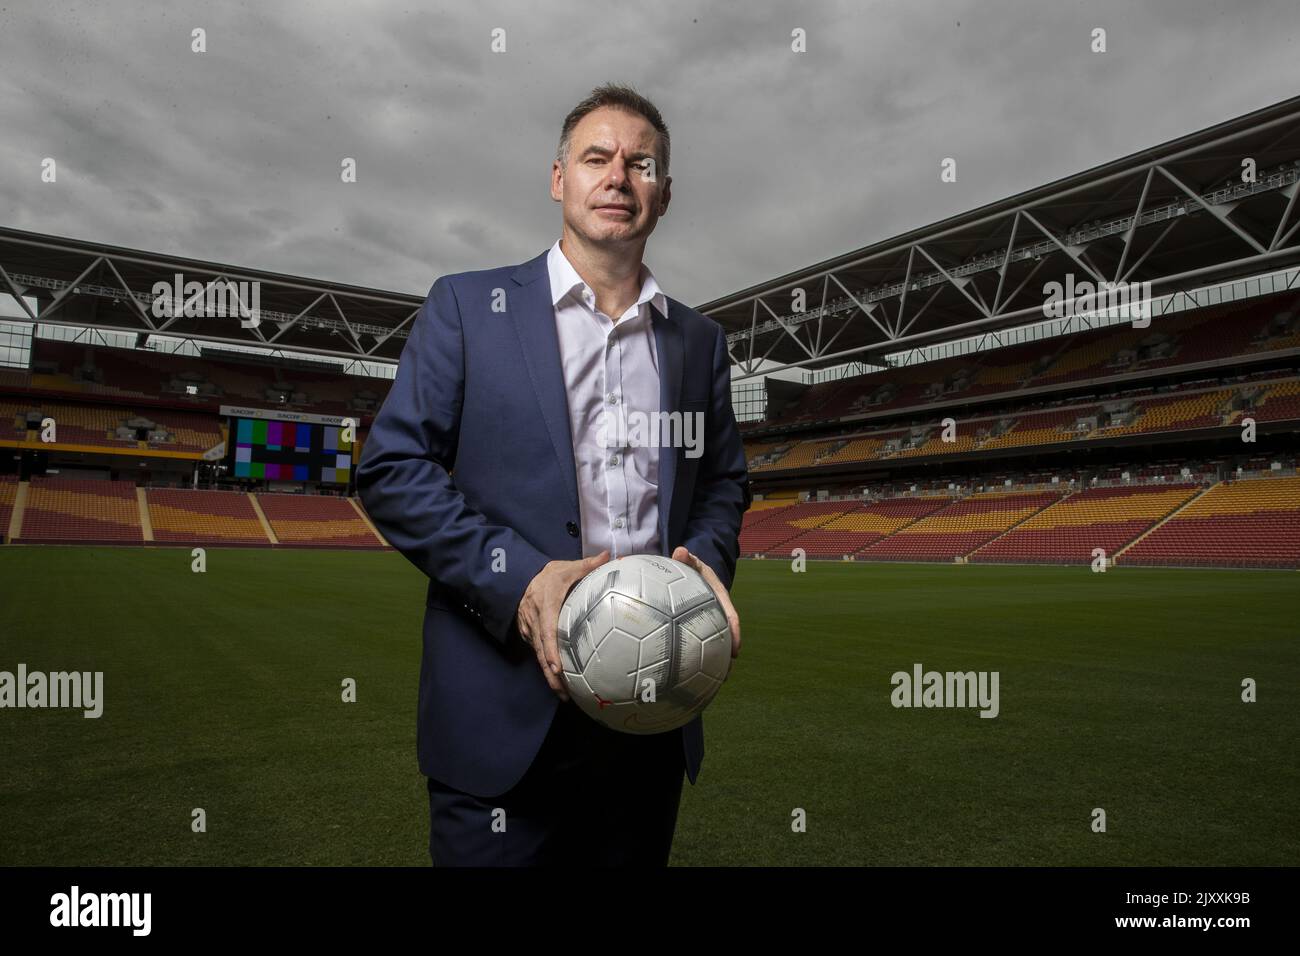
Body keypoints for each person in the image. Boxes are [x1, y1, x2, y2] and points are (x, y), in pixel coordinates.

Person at [356, 82, 750, 866]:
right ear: (558, 177)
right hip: (500, 717)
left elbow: (723, 484)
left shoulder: (697, 343)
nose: (618, 177)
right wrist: (521, 582)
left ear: (664, 195)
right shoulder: (468, 308)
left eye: (641, 164)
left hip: (649, 709)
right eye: (596, 157)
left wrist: (705, 568)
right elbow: (394, 467)